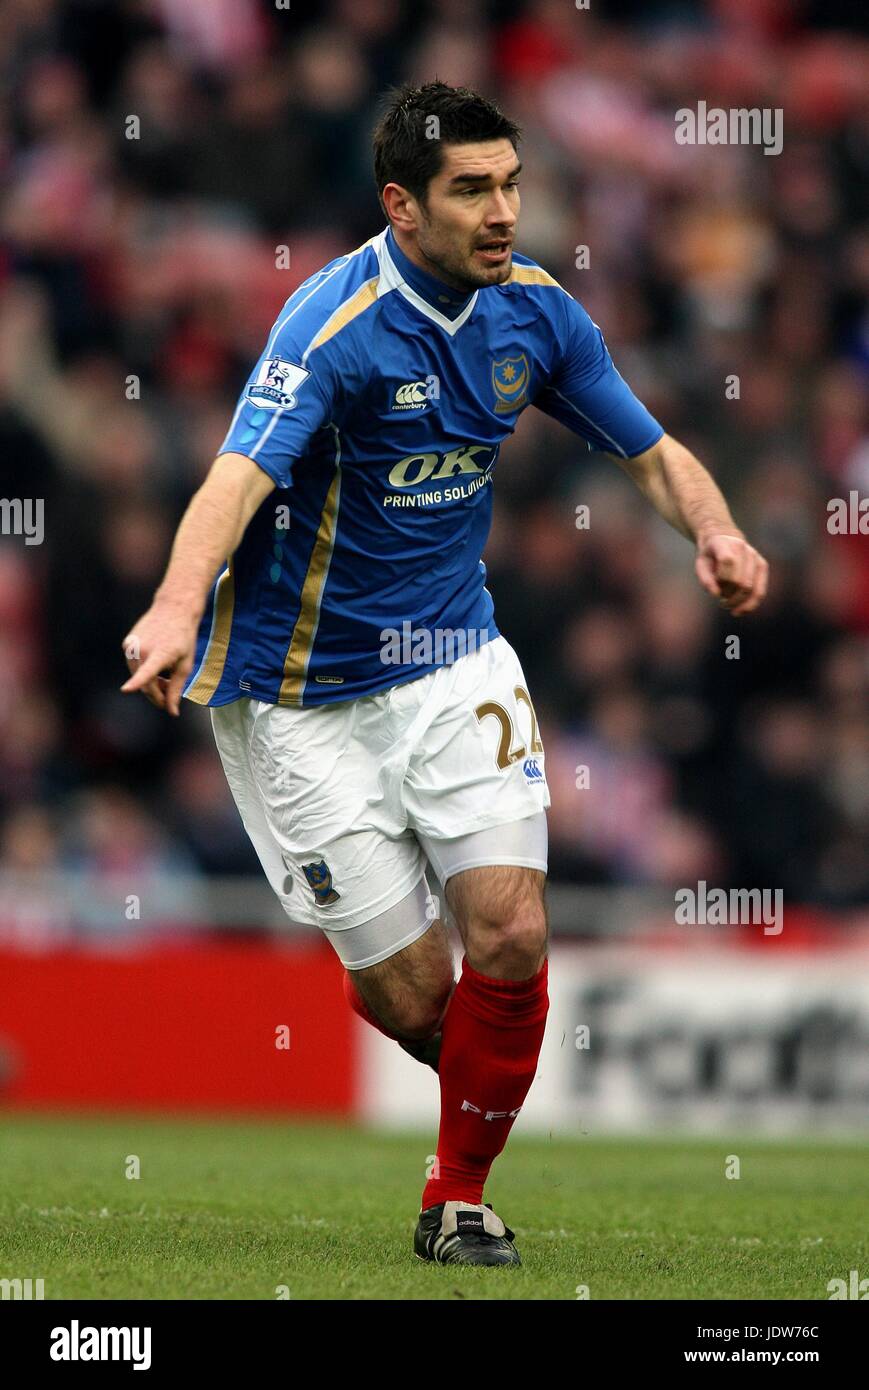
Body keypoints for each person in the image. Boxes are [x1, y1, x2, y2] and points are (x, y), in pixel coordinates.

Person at [121, 81, 769, 1266]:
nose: (502, 211)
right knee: (417, 1001)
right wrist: (172, 605)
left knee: (512, 933)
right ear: (400, 204)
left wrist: (715, 534)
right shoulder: (332, 325)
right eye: (471, 189)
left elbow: (652, 450)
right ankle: (475, 1082)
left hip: (452, 660)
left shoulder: (537, 317)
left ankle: (454, 1200)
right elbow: (235, 477)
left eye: (510, 183)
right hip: (298, 697)